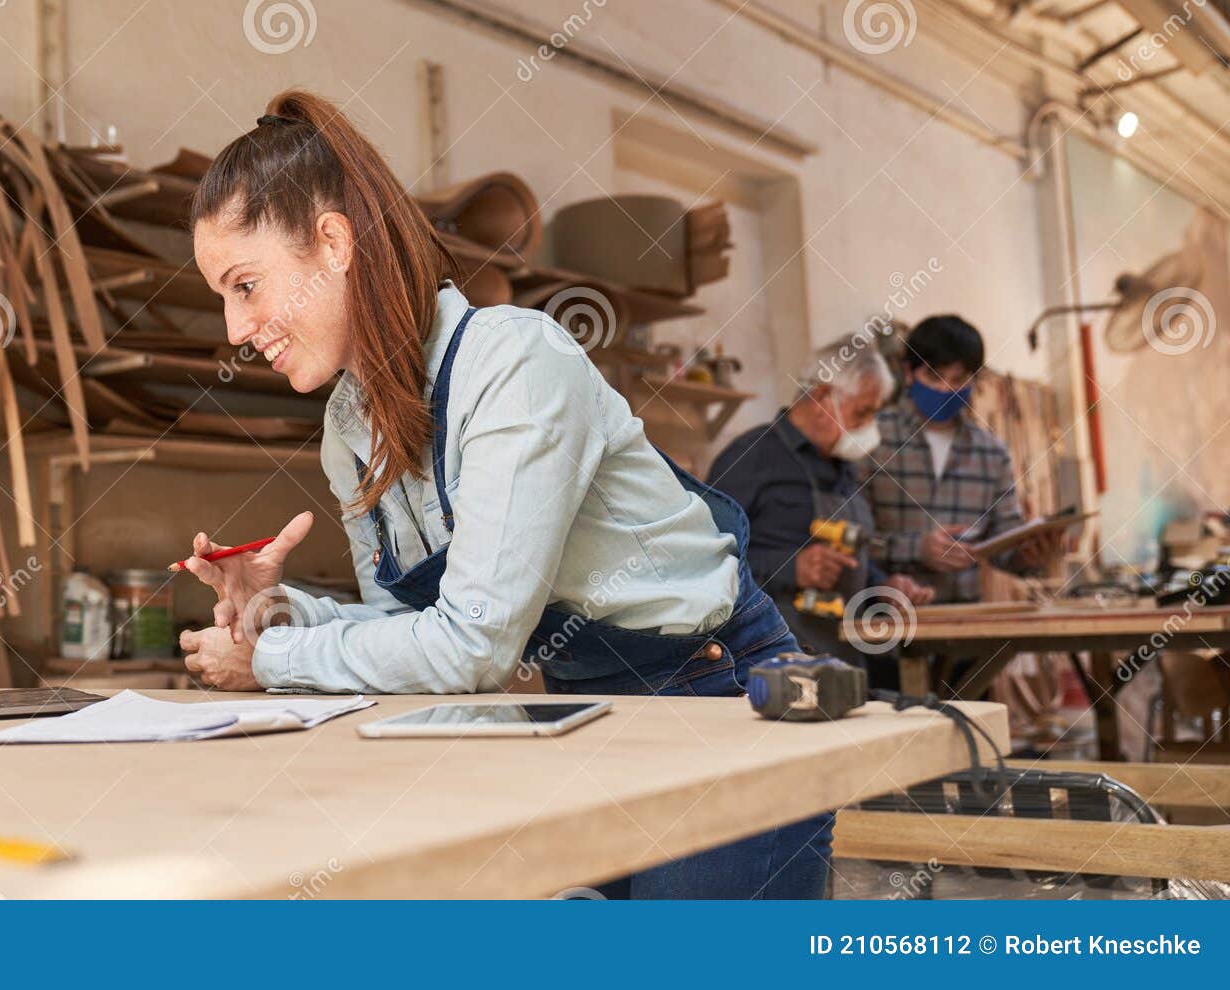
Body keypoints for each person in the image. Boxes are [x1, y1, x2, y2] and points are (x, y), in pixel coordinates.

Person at [174, 90, 831, 899]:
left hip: (718, 694)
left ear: (335, 243)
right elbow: (408, 635)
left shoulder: (513, 363)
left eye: (245, 285)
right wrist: (281, 615)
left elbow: (471, 649)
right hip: (589, 711)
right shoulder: (349, 426)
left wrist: (270, 661)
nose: (236, 330)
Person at [709, 336, 933, 658]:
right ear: (823, 397)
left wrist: (884, 588)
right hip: (771, 664)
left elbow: (851, 559)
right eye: (862, 413)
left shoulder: (844, 468)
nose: (870, 427)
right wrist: (790, 570)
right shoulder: (749, 459)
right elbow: (704, 561)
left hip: (846, 657)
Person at [867, 315, 1061, 605]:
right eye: (934, 377)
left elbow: (1005, 549)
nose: (945, 390)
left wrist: (1031, 554)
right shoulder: (871, 440)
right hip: (885, 621)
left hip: (965, 625)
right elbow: (846, 539)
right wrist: (916, 549)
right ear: (909, 373)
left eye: (958, 380)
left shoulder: (991, 453)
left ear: (975, 379)